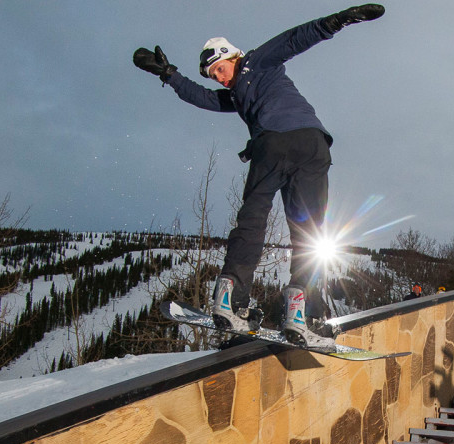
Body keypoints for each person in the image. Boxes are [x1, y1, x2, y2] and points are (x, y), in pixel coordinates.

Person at [133, 4, 385, 348]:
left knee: (253, 220)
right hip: (312, 146)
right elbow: (203, 97)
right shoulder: (236, 95)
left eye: (220, 69)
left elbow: (295, 39)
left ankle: (231, 298)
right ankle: (303, 313)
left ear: (232, 56)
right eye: (215, 76)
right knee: (310, 231)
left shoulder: (256, 60)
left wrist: (338, 20)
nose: (220, 78)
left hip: (276, 145)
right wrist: (169, 74)